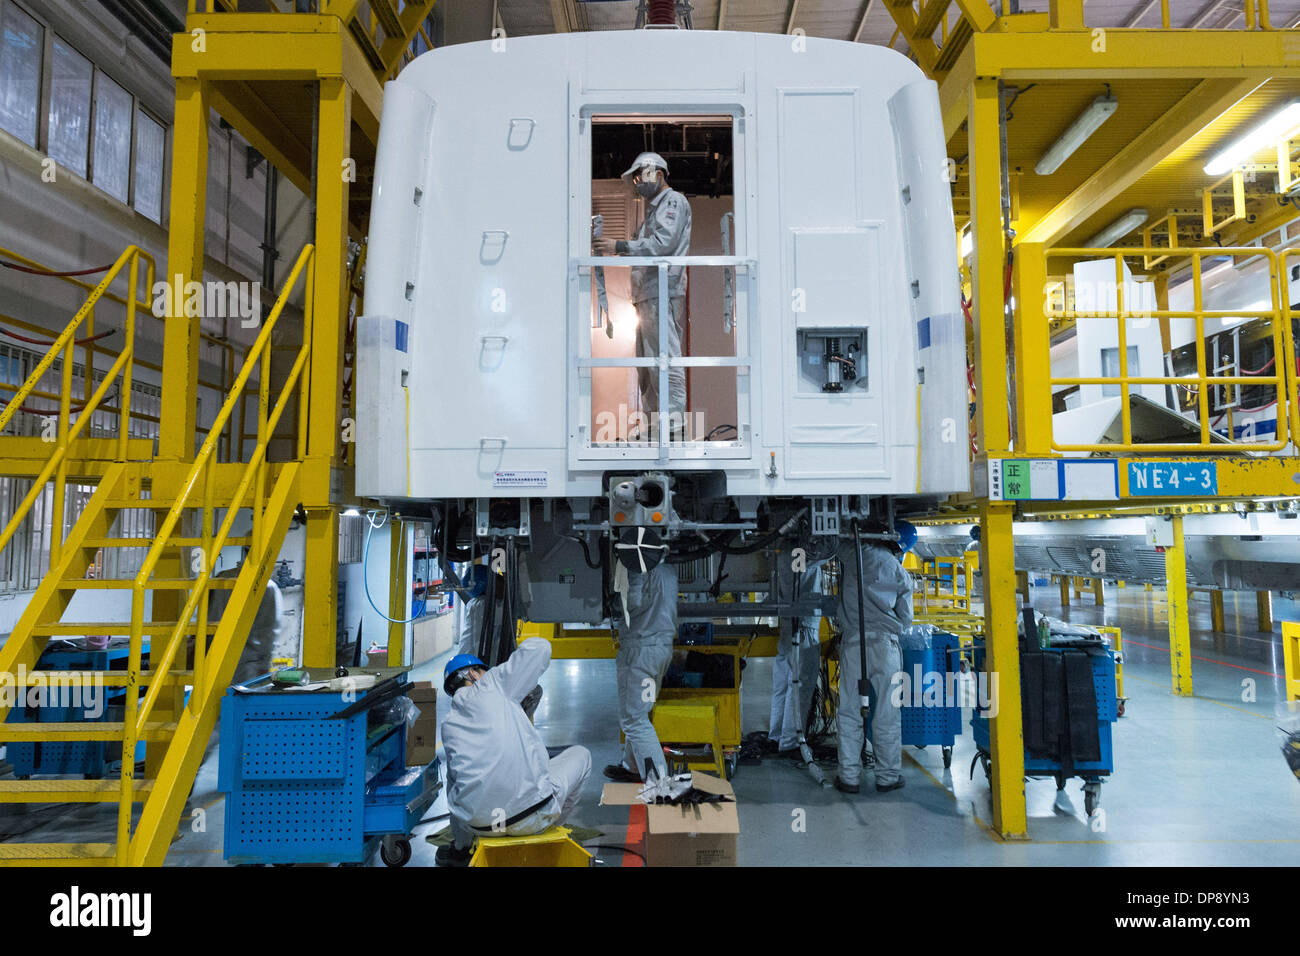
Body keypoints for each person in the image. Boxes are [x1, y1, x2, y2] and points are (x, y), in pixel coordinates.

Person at [437, 638, 591, 867]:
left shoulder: (449, 725)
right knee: (582, 755)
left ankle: (464, 848)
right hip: (532, 816)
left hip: (483, 826)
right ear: (473, 673)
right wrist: (506, 664)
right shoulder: (495, 684)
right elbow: (541, 647)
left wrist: (460, 846)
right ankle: (549, 829)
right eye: (483, 671)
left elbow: (454, 787)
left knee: (459, 782)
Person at [593, 151, 693, 435]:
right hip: (647, 295)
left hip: (663, 291)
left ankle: (673, 424)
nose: (637, 182)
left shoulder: (673, 202)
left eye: (641, 175)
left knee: (665, 357)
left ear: (658, 173)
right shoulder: (653, 210)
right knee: (648, 365)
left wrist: (619, 246)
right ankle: (653, 425)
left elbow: (662, 243)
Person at [834, 520, 916, 795]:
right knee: (887, 713)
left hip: (854, 643)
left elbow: (834, 544)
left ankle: (849, 777)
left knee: (849, 710)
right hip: (886, 646)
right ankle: (887, 776)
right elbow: (906, 619)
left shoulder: (854, 554)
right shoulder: (899, 571)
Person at [603, 559, 678, 783]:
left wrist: (612, 601)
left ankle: (658, 781)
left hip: (641, 650)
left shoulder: (635, 566)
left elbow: (632, 602)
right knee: (639, 713)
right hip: (661, 649)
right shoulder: (668, 569)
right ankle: (632, 766)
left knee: (634, 719)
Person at [769, 562, 826, 756]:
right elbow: (826, 552)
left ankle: (775, 736)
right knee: (799, 688)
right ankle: (790, 743)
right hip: (804, 629)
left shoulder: (784, 553)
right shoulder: (808, 555)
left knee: (782, 688)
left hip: (787, 628)